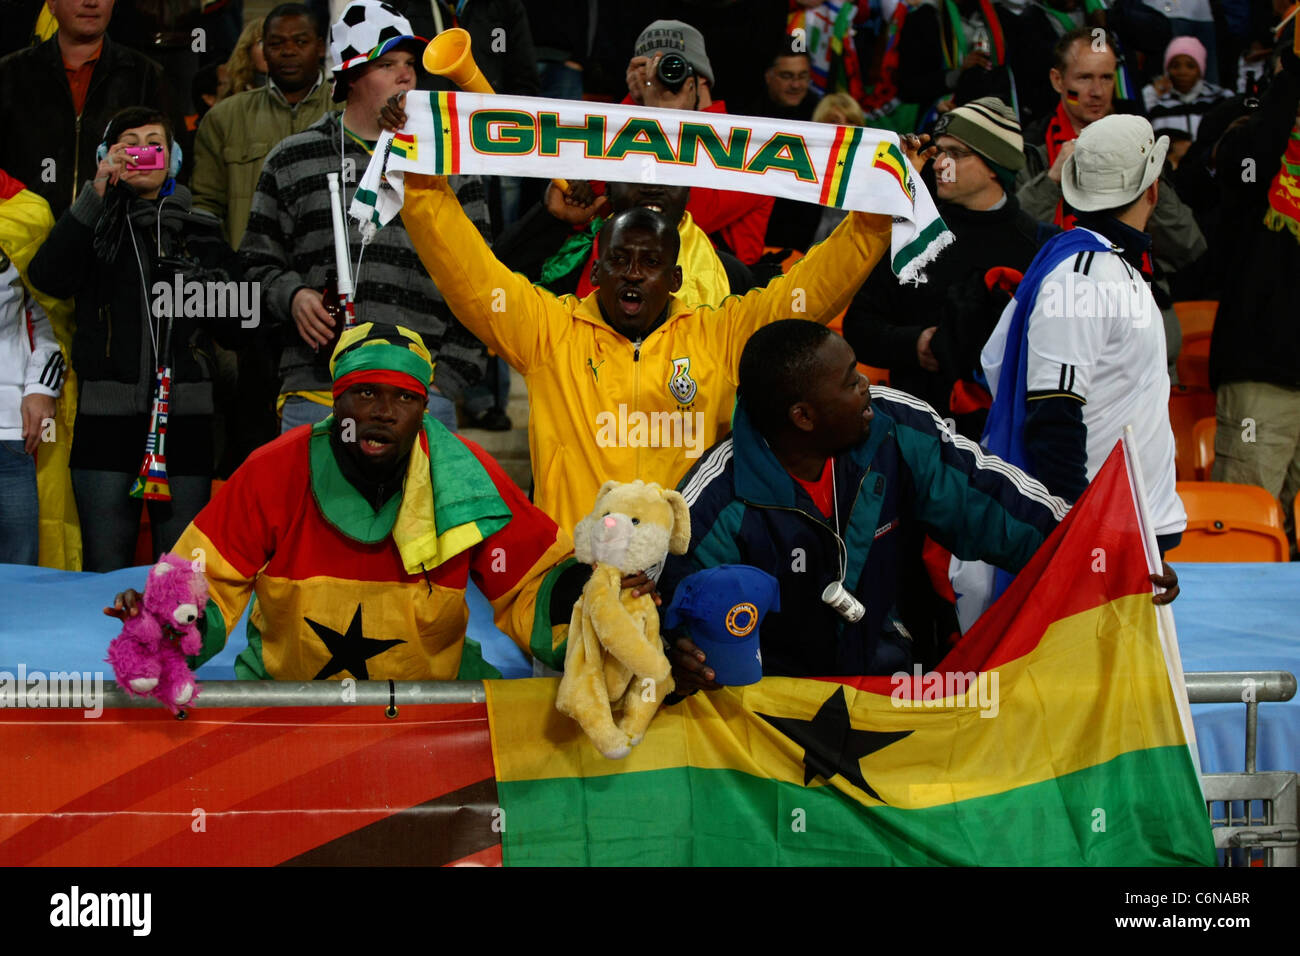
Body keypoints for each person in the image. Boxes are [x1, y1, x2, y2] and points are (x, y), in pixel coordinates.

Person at [383, 94, 894, 533]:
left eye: (651, 263)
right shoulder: (549, 333)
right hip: (576, 578)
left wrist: (872, 220)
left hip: (685, 579)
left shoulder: (719, 336)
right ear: (596, 271)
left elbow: (811, 290)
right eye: (620, 260)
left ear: (674, 278)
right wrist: (421, 184)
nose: (633, 273)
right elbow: (469, 274)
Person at [663, 320, 1180, 690]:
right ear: (803, 416)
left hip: (894, 691)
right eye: (851, 382)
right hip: (772, 723)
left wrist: (1117, 555)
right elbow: (665, 620)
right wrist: (675, 656)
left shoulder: (895, 428)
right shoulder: (711, 503)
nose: (868, 387)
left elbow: (1000, 507)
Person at [105, 323, 592, 681]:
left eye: (404, 398)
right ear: (335, 401)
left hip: (432, 706)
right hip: (287, 704)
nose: (384, 412)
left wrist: (595, 601)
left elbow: (533, 581)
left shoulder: (467, 475)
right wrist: (162, 623)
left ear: (425, 409)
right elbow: (207, 578)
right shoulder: (273, 469)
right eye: (365, 393)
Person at [240, 0, 491, 436]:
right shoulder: (292, 157)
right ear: (351, 77)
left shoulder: (449, 164)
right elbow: (252, 265)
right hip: (316, 391)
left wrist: (447, 380)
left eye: (409, 63)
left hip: (419, 389)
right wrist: (292, 296)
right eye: (387, 64)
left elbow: (481, 281)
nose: (406, 75)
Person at [27, 107, 243, 572]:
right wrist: (96, 192)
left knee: (180, 572)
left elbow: (241, 320)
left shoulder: (201, 228)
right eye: (130, 144)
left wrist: (200, 285)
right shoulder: (93, 227)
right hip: (106, 419)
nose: (143, 153)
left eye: (154, 144)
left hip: (185, 420)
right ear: (107, 155)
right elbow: (47, 278)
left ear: (174, 158)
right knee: (104, 568)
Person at [983, 114, 1188, 552]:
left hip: (1134, 522)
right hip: (1103, 532)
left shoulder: (1108, 265)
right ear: (1152, 190)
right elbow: (1053, 417)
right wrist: (1083, 535)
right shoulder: (1082, 276)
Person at [845, 97, 1050, 440]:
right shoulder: (912, 233)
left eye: (955, 153)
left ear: (994, 164)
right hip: (918, 438)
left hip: (1009, 441)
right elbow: (858, 326)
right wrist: (914, 344)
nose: (940, 164)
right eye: (939, 152)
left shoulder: (1039, 246)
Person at [1017, 26, 1207, 368]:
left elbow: (1188, 245)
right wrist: (1052, 180)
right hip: (1059, 332)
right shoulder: (1030, 147)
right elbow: (1016, 244)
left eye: (1106, 78)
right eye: (1085, 78)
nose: (1097, 91)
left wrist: (1147, 175)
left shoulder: (1142, 145)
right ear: (1058, 80)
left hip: (1143, 339)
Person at [1208, 35, 1300, 550]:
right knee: (1248, 534)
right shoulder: (1245, 135)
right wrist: (1293, 82)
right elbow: (1254, 163)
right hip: (1262, 373)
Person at [0, 0, 175, 220]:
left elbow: (172, 168)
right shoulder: (9, 75)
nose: (91, 3)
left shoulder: (147, 77)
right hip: (27, 233)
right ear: (52, 4)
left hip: (118, 231)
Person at [623, 18, 774, 267]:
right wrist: (634, 101)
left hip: (720, 281)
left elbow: (681, 215)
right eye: (647, 70)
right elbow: (599, 199)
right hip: (640, 273)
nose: (658, 78)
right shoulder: (632, 130)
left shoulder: (750, 144)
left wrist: (665, 119)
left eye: (672, 67)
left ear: (701, 78)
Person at [192, 3, 330, 249]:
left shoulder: (350, 111)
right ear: (263, 51)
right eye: (276, 44)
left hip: (332, 266)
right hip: (248, 266)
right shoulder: (224, 118)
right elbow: (205, 204)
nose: (288, 51)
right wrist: (217, 260)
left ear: (320, 47)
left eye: (300, 42)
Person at [495, 180, 752, 304]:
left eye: (668, 175)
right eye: (636, 174)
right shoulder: (570, 261)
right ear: (608, 187)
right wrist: (552, 218)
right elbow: (494, 288)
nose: (653, 188)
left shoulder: (729, 276)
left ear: (688, 191)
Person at [0, 169, 66, 566]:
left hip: (9, 430)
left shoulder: (26, 215)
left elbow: (50, 316)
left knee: (18, 573)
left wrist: (43, 388)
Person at [1143, 36, 1233, 150]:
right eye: (1175, 66)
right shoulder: (1156, 102)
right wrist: (1152, 91)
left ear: (1200, 70)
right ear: (1167, 70)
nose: (1182, 72)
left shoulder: (1220, 98)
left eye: (1190, 66)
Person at [746, 39, 818, 122]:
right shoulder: (747, 116)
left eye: (802, 76)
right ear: (768, 76)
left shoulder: (821, 115)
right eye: (786, 76)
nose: (795, 85)